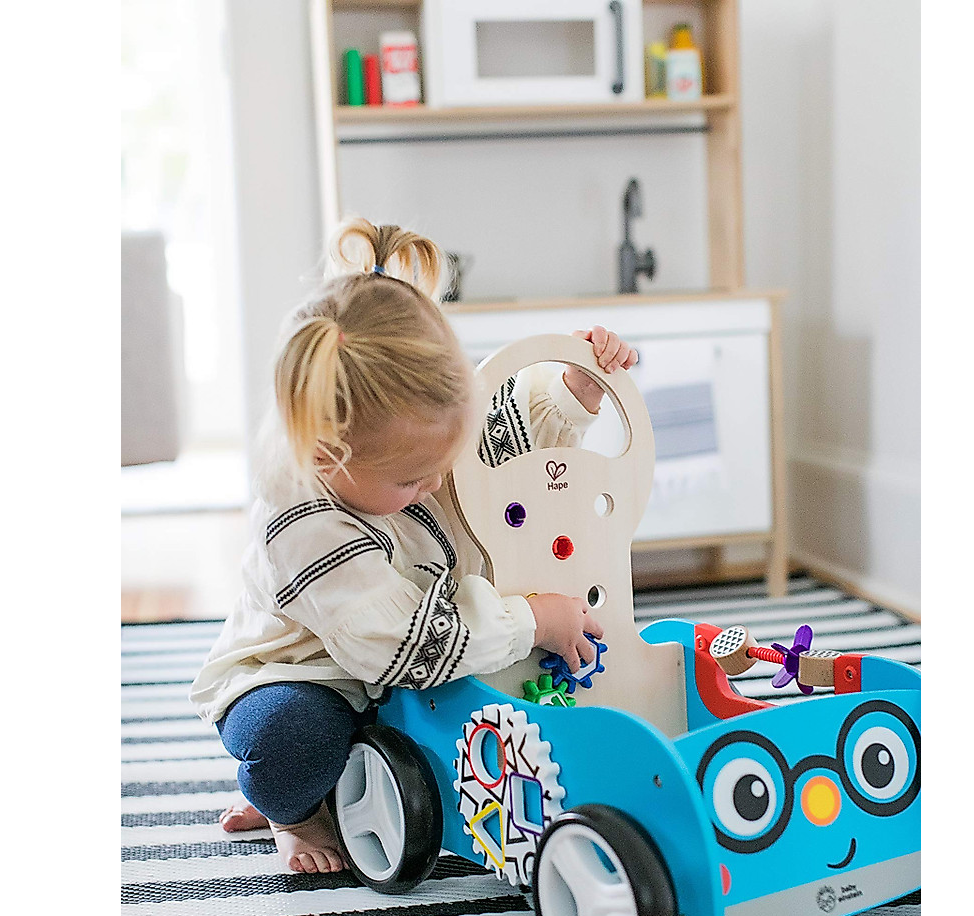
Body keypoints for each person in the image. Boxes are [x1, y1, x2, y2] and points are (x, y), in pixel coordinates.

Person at [190, 217, 639, 874]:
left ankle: (337, 774)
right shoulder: (301, 522)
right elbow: (402, 641)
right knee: (298, 741)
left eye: (443, 459)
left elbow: (501, 441)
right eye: (410, 479)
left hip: (400, 674)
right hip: (308, 676)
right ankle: (291, 811)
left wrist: (573, 394)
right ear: (327, 454)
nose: (435, 483)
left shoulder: (404, 439)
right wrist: (534, 619)